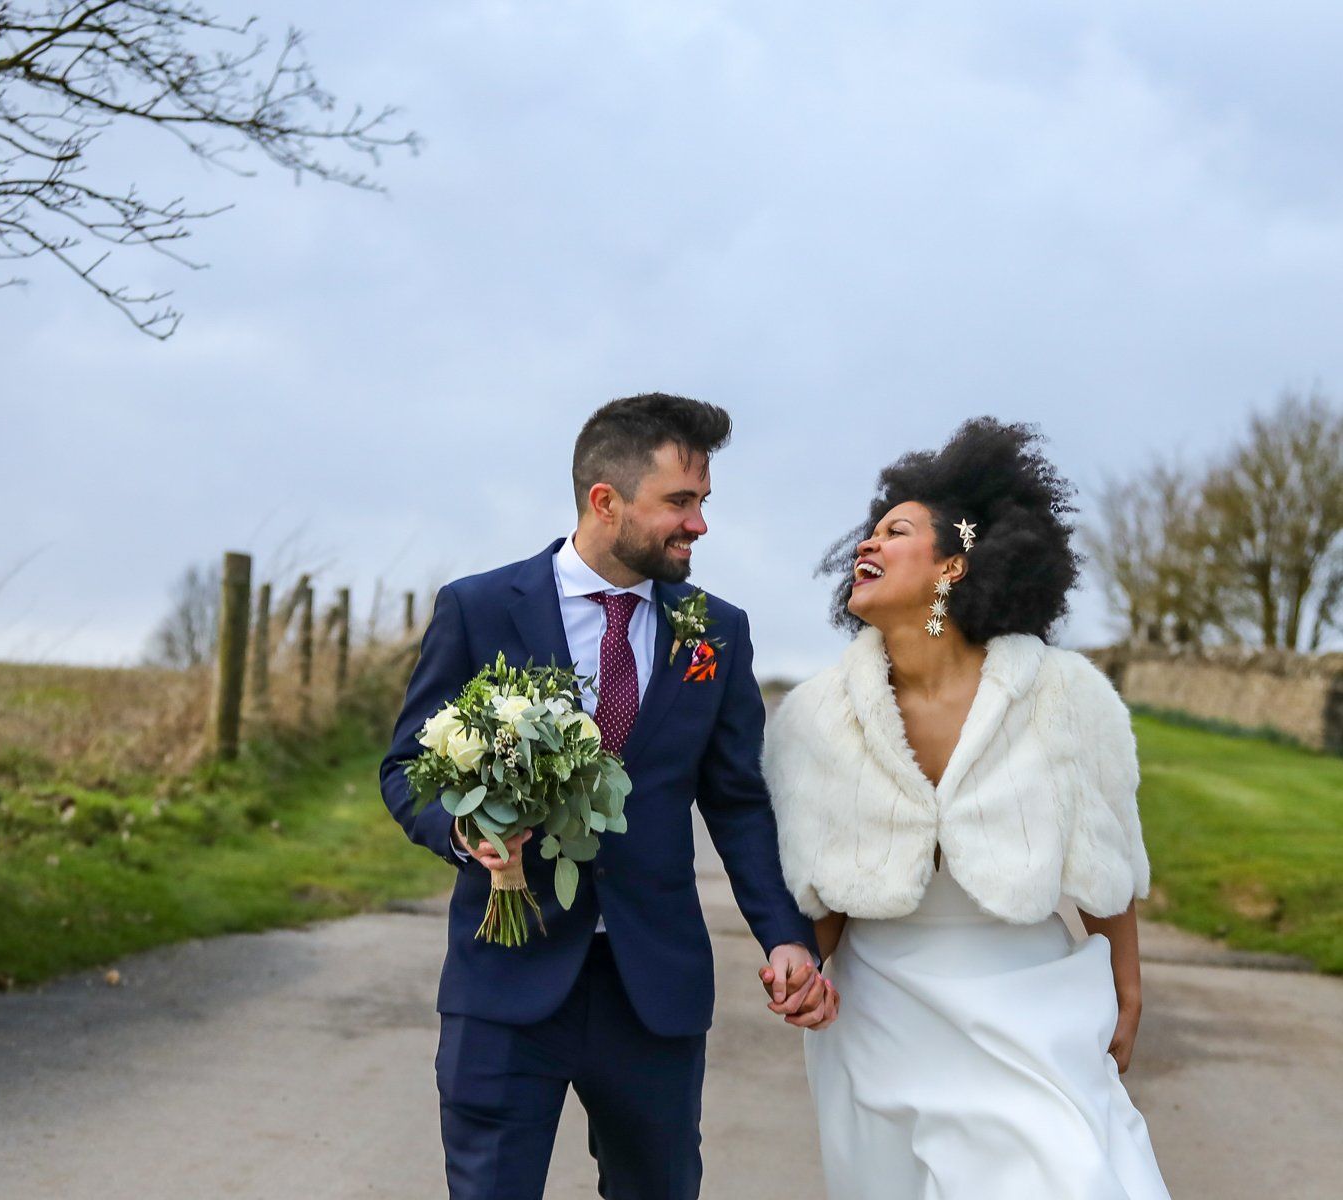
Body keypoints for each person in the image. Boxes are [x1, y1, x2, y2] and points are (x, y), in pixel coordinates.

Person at [381, 393, 832, 1200]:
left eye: (703, 504)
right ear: (605, 501)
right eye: (680, 503)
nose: (698, 525)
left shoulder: (714, 632)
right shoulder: (480, 609)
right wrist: (462, 833)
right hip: (506, 979)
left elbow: (735, 801)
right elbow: (405, 765)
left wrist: (785, 936)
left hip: (651, 988)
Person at [763, 417, 1172, 1199]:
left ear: (952, 564)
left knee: (1078, 1175)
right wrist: (802, 970)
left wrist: (1128, 985)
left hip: (1029, 994)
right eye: (868, 534)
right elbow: (822, 889)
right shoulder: (814, 717)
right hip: (881, 1009)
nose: (867, 546)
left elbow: (1105, 858)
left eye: (897, 531)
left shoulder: (1063, 693)